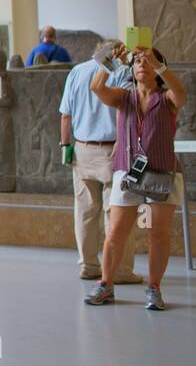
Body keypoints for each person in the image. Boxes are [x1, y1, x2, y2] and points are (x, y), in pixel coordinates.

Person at [86, 46, 188, 310]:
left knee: (159, 234)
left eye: (149, 61)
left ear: (157, 68)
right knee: (115, 232)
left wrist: (160, 65)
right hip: (128, 172)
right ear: (131, 69)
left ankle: (154, 288)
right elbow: (97, 88)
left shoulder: (167, 98)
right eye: (138, 61)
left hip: (162, 173)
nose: (142, 64)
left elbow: (181, 95)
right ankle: (105, 285)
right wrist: (110, 62)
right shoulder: (125, 97)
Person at [59, 39, 141, 283]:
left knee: (85, 211)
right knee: (116, 212)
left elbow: (66, 116)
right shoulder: (121, 71)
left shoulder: (77, 71)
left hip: (82, 148)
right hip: (112, 150)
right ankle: (121, 270)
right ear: (116, 52)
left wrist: (66, 146)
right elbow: (127, 109)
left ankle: (88, 265)